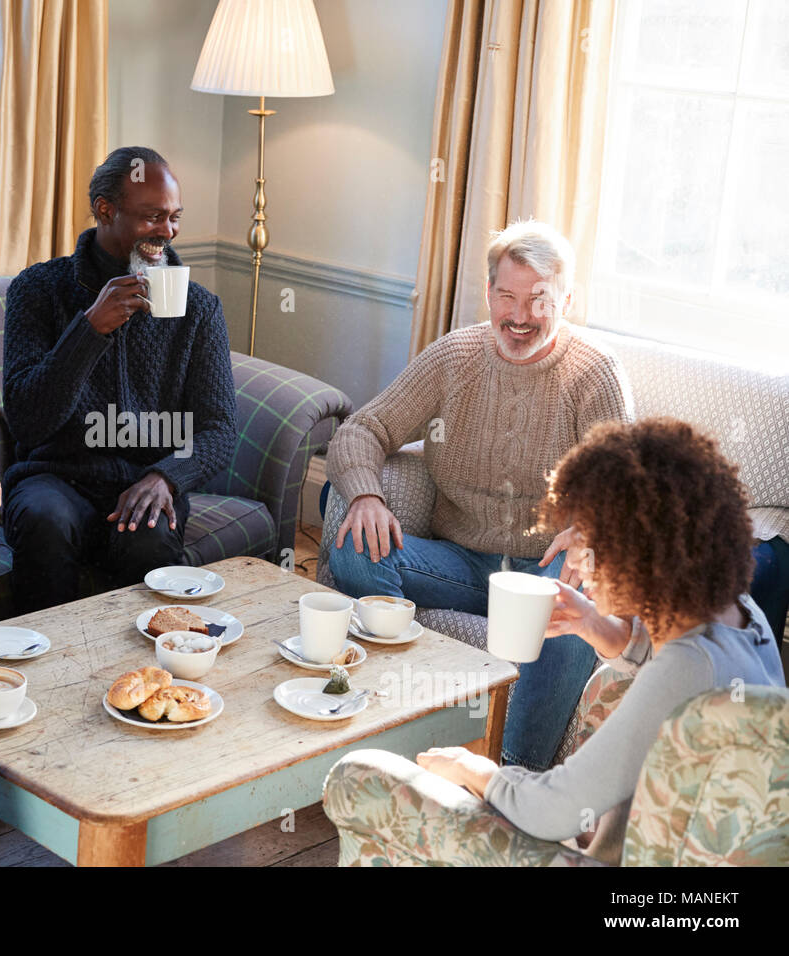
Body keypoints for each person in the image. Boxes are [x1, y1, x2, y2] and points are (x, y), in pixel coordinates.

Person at [404, 418, 785, 863]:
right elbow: (674, 675)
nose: (575, 557)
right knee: (610, 679)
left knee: (367, 777)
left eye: (588, 541)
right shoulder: (742, 613)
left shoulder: (687, 666)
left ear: (639, 554)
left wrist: (477, 771)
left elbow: (554, 811)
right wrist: (595, 625)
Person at [326, 220, 633, 771]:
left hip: (543, 570)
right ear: (488, 293)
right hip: (462, 564)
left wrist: (594, 523)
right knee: (351, 546)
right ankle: (399, 716)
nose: (519, 316)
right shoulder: (454, 357)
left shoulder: (595, 373)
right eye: (506, 296)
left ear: (566, 298)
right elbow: (361, 428)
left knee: (577, 588)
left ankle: (515, 780)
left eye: (538, 299)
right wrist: (366, 496)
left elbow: (626, 484)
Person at [1, 146, 237, 613]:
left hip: (145, 480)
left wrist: (166, 478)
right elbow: (27, 419)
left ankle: (141, 677)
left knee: (147, 539)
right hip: (54, 477)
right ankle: (42, 668)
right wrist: (89, 330)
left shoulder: (199, 307)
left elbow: (219, 428)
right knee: (46, 521)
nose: (166, 233)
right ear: (104, 210)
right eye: (152, 217)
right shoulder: (38, 290)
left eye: (174, 218)